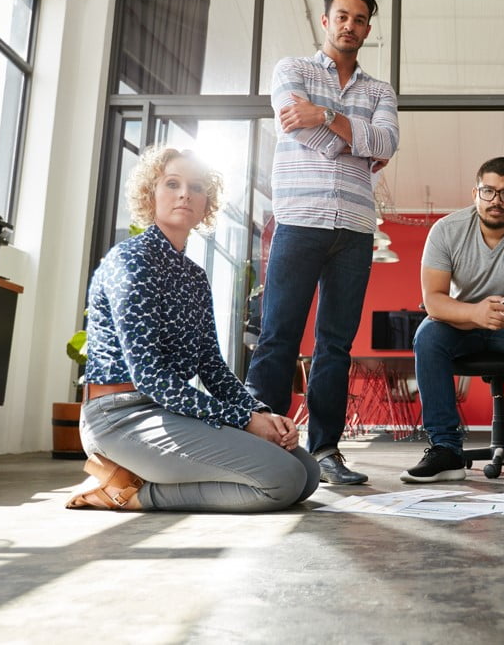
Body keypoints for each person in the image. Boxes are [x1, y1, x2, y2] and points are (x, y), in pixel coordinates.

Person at [69, 147, 320, 512]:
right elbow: (151, 377)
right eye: (172, 183)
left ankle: (150, 475)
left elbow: (212, 367)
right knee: (283, 481)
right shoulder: (131, 261)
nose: (186, 193)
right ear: (149, 194)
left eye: (197, 187)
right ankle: (127, 492)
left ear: (206, 205)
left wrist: (263, 414)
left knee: (307, 471)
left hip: (171, 411)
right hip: (119, 416)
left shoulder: (195, 277)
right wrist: (245, 421)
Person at [245, 0, 399, 485]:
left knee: (335, 345)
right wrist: (354, 142)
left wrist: (328, 115)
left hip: (354, 229)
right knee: (278, 337)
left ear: (367, 29)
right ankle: (261, 443)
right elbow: (298, 128)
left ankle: (327, 449)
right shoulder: (292, 69)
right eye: (342, 16)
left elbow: (387, 142)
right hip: (298, 222)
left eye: (359, 19)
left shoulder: (380, 90)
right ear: (326, 21)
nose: (350, 25)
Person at [401, 157, 504, 486]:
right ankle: (445, 449)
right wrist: (474, 313)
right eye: (488, 192)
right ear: (475, 193)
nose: (496, 202)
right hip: (463, 324)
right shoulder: (446, 230)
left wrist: (496, 316)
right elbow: (433, 299)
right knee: (428, 335)